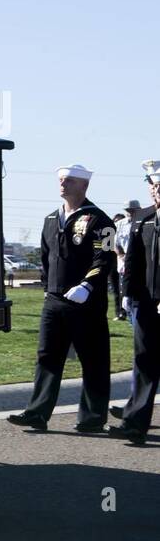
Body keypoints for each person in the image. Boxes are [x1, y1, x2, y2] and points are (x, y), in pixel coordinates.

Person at [7, 164, 114, 434]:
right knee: (47, 356)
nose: (63, 185)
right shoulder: (51, 219)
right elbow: (45, 257)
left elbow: (105, 258)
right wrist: (47, 287)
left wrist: (87, 285)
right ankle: (37, 413)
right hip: (54, 300)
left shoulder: (101, 220)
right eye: (61, 180)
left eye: (69, 181)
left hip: (85, 301)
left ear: (84, 186)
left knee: (93, 359)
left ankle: (92, 418)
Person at [111, 164, 160, 443]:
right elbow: (133, 261)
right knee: (144, 361)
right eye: (153, 186)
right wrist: (128, 294)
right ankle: (134, 423)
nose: (156, 191)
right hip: (146, 302)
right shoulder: (144, 220)